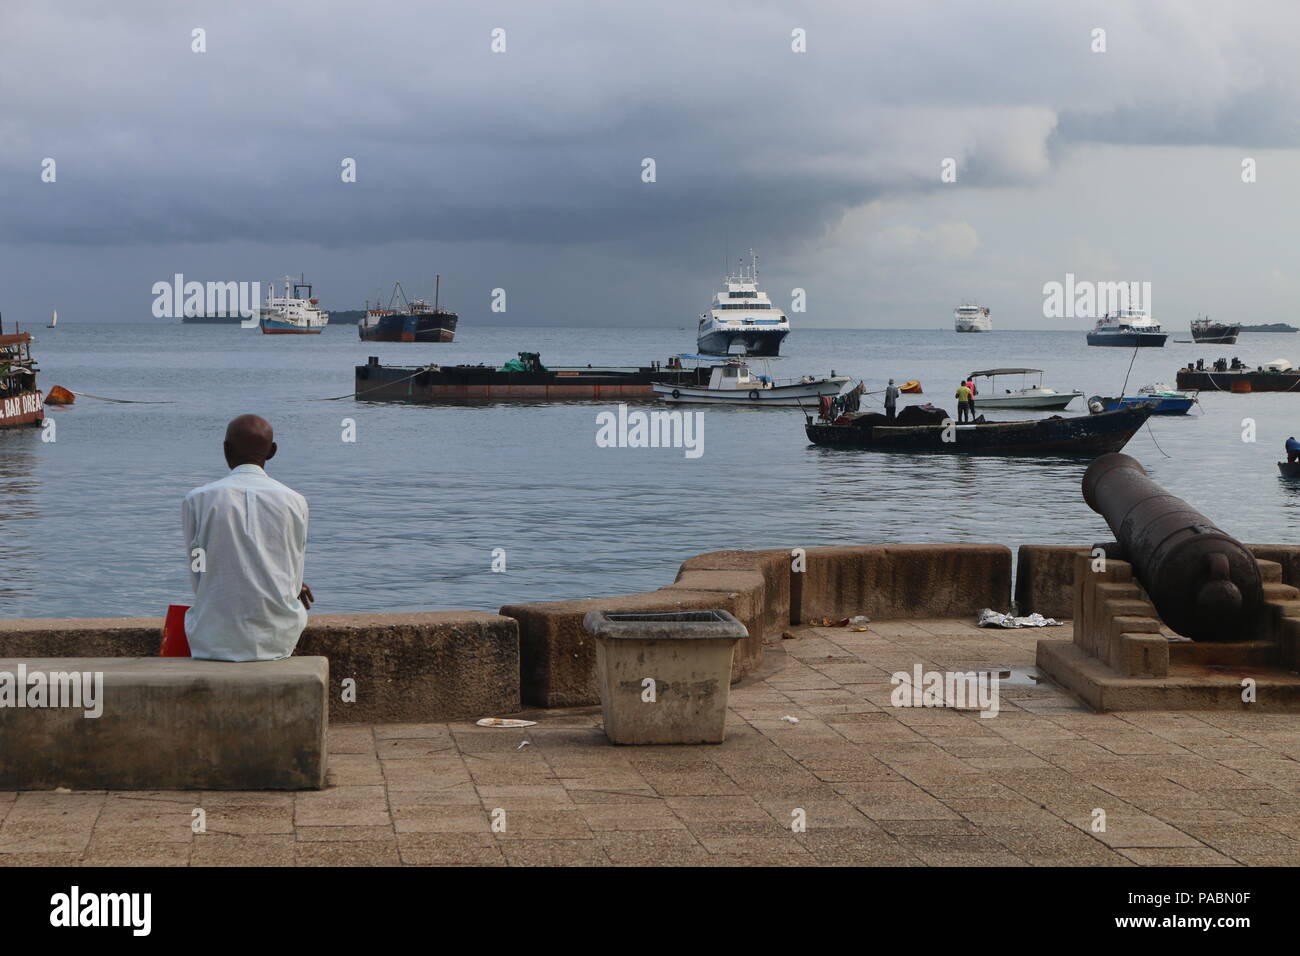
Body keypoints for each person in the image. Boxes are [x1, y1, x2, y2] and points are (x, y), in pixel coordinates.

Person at [182, 414, 313, 661]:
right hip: (279, 640)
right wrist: (290, 586)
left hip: (211, 639)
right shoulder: (295, 501)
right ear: (272, 451)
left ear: (225, 449)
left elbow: (197, 574)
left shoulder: (197, 499)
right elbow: (295, 569)